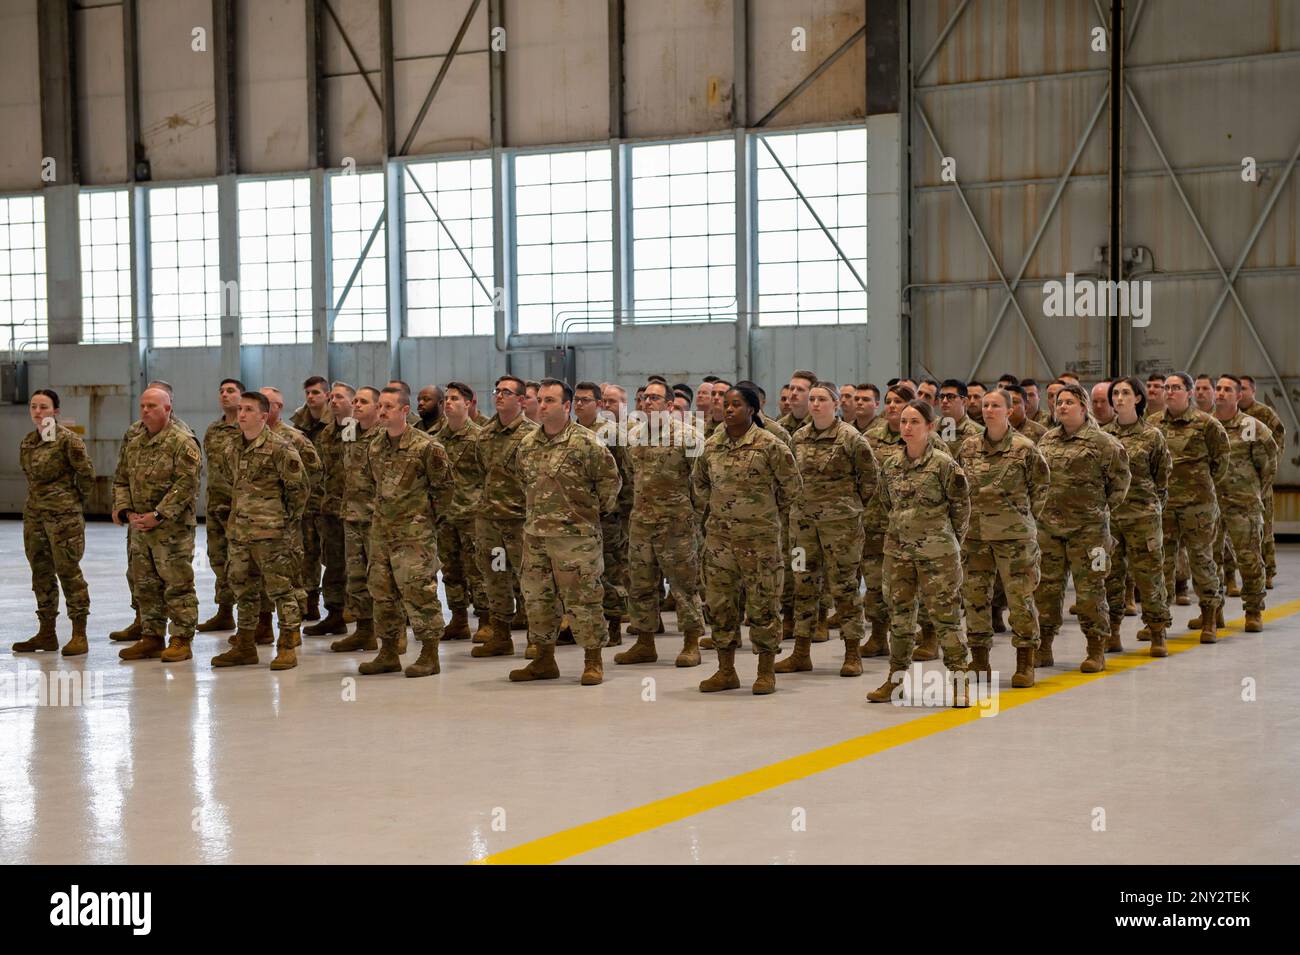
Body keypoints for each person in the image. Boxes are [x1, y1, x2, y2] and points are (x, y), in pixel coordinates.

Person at [509, 379, 621, 686]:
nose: (542, 406)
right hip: (536, 537)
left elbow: (611, 484)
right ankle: (544, 660)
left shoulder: (587, 443)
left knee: (583, 600)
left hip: (576, 539)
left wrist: (585, 514)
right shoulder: (528, 444)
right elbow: (523, 481)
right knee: (537, 600)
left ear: (567, 406)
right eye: (540, 400)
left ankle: (592, 661)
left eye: (550, 401)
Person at [692, 385, 802, 695]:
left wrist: (762, 514)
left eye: (736, 404)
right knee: (720, 606)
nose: (728, 409)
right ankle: (726, 670)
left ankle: (765, 671)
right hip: (720, 543)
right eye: (726, 404)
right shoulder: (711, 446)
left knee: (763, 606)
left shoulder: (770, 446)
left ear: (751, 409)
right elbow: (700, 486)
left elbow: (791, 488)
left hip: (760, 542)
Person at [868, 399, 971, 704]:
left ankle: (960, 681)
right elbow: (888, 504)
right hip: (899, 553)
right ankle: (896, 681)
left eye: (914, 422)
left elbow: (961, 510)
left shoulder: (943, 465)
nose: (908, 428)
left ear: (930, 426)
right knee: (899, 619)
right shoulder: (890, 465)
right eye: (903, 422)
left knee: (946, 618)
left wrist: (945, 541)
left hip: (938, 554)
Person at [779, 381, 877, 677]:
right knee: (803, 585)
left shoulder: (851, 438)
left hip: (841, 526)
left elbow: (870, 481)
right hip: (803, 526)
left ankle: (852, 653)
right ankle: (801, 652)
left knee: (845, 586)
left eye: (822, 399)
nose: (816, 404)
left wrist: (847, 508)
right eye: (812, 399)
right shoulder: (799, 437)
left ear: (835, 404)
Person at [356, 386, 453, 678]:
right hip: (382, 533)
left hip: (415, 536)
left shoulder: (427, 447)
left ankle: (429, 653)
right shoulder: (375, 446)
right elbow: (374, 487)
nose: (382, 412)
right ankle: (388, 651)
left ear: (404, 411)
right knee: (382, 592)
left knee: (418, 591)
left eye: (388, 407)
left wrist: (425, 521)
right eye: (381, 407)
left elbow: (444, 490)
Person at [1034, 382, 1130, 672]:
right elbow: (1037, 482)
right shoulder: (1046, 442)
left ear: (1083, 407)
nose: (1061, 406)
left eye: (1068, 402)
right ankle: (1044, 646)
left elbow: (1120, 485)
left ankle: (1096, 649)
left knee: (1091, 591)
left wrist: (1096, 511)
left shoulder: (1104, 444)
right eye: (1059, 402)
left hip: (1090, 533)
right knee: (1046, 591)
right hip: (1049, 530)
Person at [957, 387, 1049, 687]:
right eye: (985, 405)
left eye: (995, 405)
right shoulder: (969, 447)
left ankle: (1025, 661)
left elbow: (1041, 490)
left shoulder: (1024, 448)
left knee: (1020, 598)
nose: (988, 410)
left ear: (1009, 410)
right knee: (975, 598)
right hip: (976, 536)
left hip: (1015, 537)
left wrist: (1019, 519)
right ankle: (980, 660)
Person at [211, 392, 309, 670]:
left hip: (272, 535)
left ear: (263, 416)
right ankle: (245, 645)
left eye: (249, 410)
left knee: (281, 590)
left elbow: (299, 490)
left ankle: (287, 645)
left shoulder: (280, 448)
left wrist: (284, 523)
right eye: (240, 409)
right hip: (240, 533)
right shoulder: (232, 447)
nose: (241, 414)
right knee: (243, 590)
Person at [618, 379, 709, 667]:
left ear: (670, 406)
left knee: (684, 586)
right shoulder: (632, 437)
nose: (647, 403)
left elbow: (702, 483)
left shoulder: (688, 437)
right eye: (644, 398)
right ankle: (645, 643)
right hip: (642, 523)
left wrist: (691, 519)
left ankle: (691, 642)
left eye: (655, 399)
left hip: (677, 525)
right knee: (641, 585)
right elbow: (631, 476)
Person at [111, 387, 202, 662]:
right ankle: (151, 637)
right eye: (143, 406)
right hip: (139, 526)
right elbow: (121, 478)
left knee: (177, 583)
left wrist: (159, 515)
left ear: (167, 409)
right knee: (145, 584)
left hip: (170, 529)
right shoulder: (135, 440)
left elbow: (186, 484)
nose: (146, 411)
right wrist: (125, 510)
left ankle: (181, 638)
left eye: (152, 406)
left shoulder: (182, 441)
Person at [14, 389, 94, 656]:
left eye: (44, 407)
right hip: (35, 516)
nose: (38, 412)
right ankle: (46, 633)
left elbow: (86, 477)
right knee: (41, 573)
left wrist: (70, 504)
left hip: (64, 518)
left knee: (69, 572)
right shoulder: (28, 441)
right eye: (34, 406)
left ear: (55, 412)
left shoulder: (69, 441)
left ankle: (79, 634)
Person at [1156, 372, 1229, 643]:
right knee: (1162, 564)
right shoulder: (1154, 424)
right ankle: (1158, 622)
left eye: (1176, 387)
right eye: (1167, 388)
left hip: (1197, 507)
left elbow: (1220, 463)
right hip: (1164, 508)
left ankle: (1209, 617)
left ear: (1189, 393)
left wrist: (1199, 487)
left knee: (1202, 561)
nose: (1170, 392)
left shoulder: (1207, 424)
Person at [1104, 377, 1173, 656]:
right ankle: (1113, 632)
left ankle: (1157, 631)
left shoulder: (1152, 435)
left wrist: (1152, 507)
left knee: (1149, 577)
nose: (1119, 398)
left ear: (1138, 398)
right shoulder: (1102, 435)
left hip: (1143, 517)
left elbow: (1162, 478)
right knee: (1110, 576)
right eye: (1116, 393)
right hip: (1111, 518)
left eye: (1126, 393)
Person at [1209, 375, 1276, 633]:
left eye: (1228, 389)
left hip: (1243, 505)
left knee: (1249, 559)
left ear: (1239, 396)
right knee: (1210, 561)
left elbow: (1267, 467)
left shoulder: (1252, 427)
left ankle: (1253, 610)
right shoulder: (1207, 426)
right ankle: (1213, 610)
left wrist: (1253, 493)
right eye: (1219, 389)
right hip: (1212, 506)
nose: (1221, 393)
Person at [574, 381, 631, 645]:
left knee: (610, 573)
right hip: (575, 518)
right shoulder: (569, 432)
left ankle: (615, 624)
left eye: (585, 400)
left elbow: (626, 476)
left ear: (598, 405)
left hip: (607, 517)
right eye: (576, 399)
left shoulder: (612, 433)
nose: (579, 404)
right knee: (580, 575)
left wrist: (619, 512)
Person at [433, 382, 486, 642]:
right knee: (451, 571)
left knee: (478, 569)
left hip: (473, 516)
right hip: (446, 517)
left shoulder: (480, 438)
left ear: (469, 403)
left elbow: (490, 477)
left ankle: (486, 619)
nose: (448, 403)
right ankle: (458, 619)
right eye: (446, 399)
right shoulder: (436, 440)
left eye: (455, 398)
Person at [331, 386, 382, 653]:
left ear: (377, 407)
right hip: (352, 515)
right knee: (357, 577)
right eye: (356, 401)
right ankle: (364, 631)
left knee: (382, 579)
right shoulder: (349, 434)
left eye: (363, 401)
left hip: (377, 517)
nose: (357, 405)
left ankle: (390, 634)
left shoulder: (386, 435)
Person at [304, 381, 353, 637]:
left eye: (340, 398)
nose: (334, 402)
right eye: (332, 398)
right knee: (333, 565)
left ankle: (367, 617)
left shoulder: (362, 431)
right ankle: (335, 614)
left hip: (359, 511)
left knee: (360, 565)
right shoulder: (327, 434)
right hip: (331, 510)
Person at [197, 378, 243, 632]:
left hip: (240, 508)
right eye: (222, 391)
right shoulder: (213, 430)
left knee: (243, 563)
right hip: (216, 506)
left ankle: (256, 619)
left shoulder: (247, 428)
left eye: (231, 391)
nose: (225, 395)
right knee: (218, 559)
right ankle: (225, 612)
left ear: (242, 396)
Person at [290, 375, 332, 620]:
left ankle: (340, 604)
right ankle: (310, 601)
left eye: (316, 392)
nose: (310, 397)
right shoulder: (300, 422)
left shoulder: (337, 421)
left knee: (335, 555)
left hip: (331, 497)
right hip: (308, 498)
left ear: (326, 394)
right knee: (308, 553)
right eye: (307, 392)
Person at [1239, 375, 1285, 588]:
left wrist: (1269, 470)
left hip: (1260, 483)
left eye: (1244, 388)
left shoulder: (1264, 414)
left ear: (1253, 391)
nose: (1241, 392)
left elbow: (1278, 440)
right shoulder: (1232, 415)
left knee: (1265, 528)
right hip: (1237, 483)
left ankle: (1269, 571)